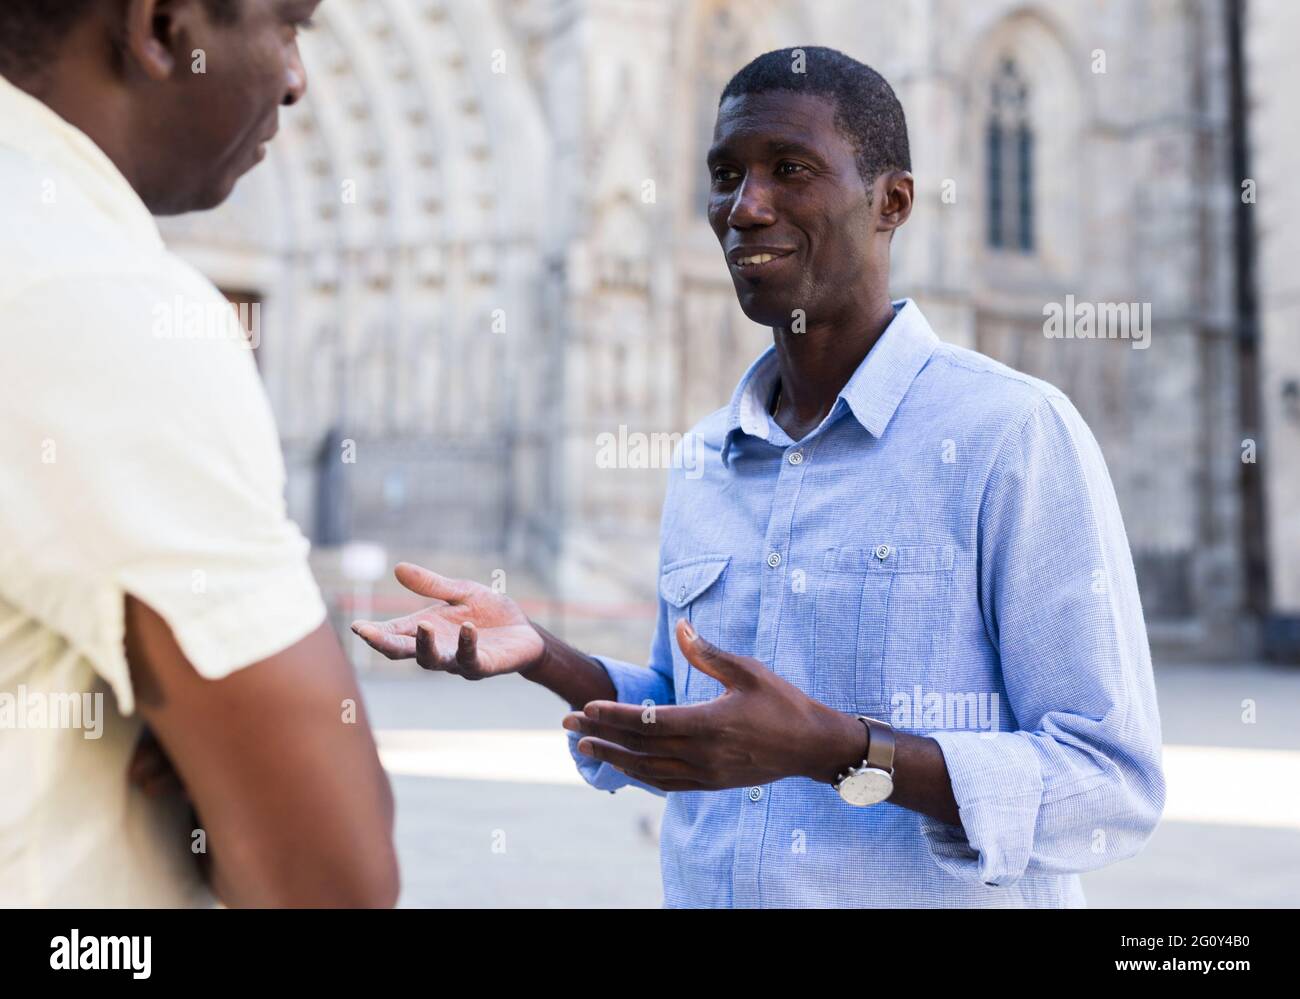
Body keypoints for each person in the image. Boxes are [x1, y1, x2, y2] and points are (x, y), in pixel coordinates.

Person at [354, 46, 1165, 908]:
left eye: (790, 169)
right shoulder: (707, 457)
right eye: (725, 174)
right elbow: (705, 730)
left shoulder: (1012, 435)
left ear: (892, 202)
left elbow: (1109, 783)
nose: (745, 207)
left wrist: (836, 748)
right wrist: (545, 656)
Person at [0, 0, 398, 907]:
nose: (297, 79)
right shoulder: (96, 298)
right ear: (163, 25)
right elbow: (331, 879)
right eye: (288, 26)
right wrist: (226, 786)